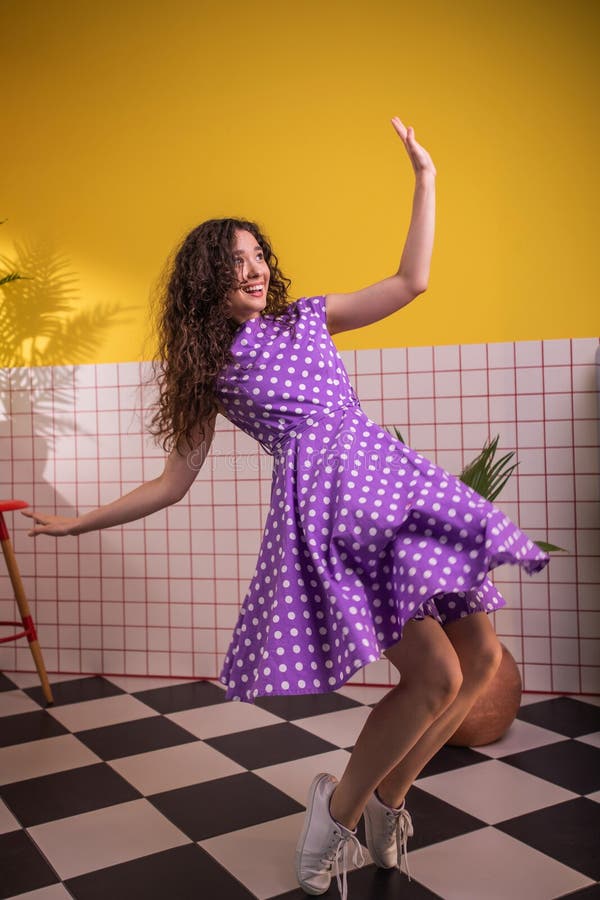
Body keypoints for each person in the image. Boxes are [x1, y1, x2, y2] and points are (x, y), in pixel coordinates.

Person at [23, 117, 549, 899]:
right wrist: (77, 520)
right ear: (208, 279)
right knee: (433, 674)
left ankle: (386, 804)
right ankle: (332, 816)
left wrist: (426, 181)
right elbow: (173, 481)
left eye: (258, 253)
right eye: (235, 261)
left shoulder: (308, 319)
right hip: (332, 512)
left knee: (478, 660)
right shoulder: (212, 369)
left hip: (392, 484)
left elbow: (411, 284)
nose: (255, 269)